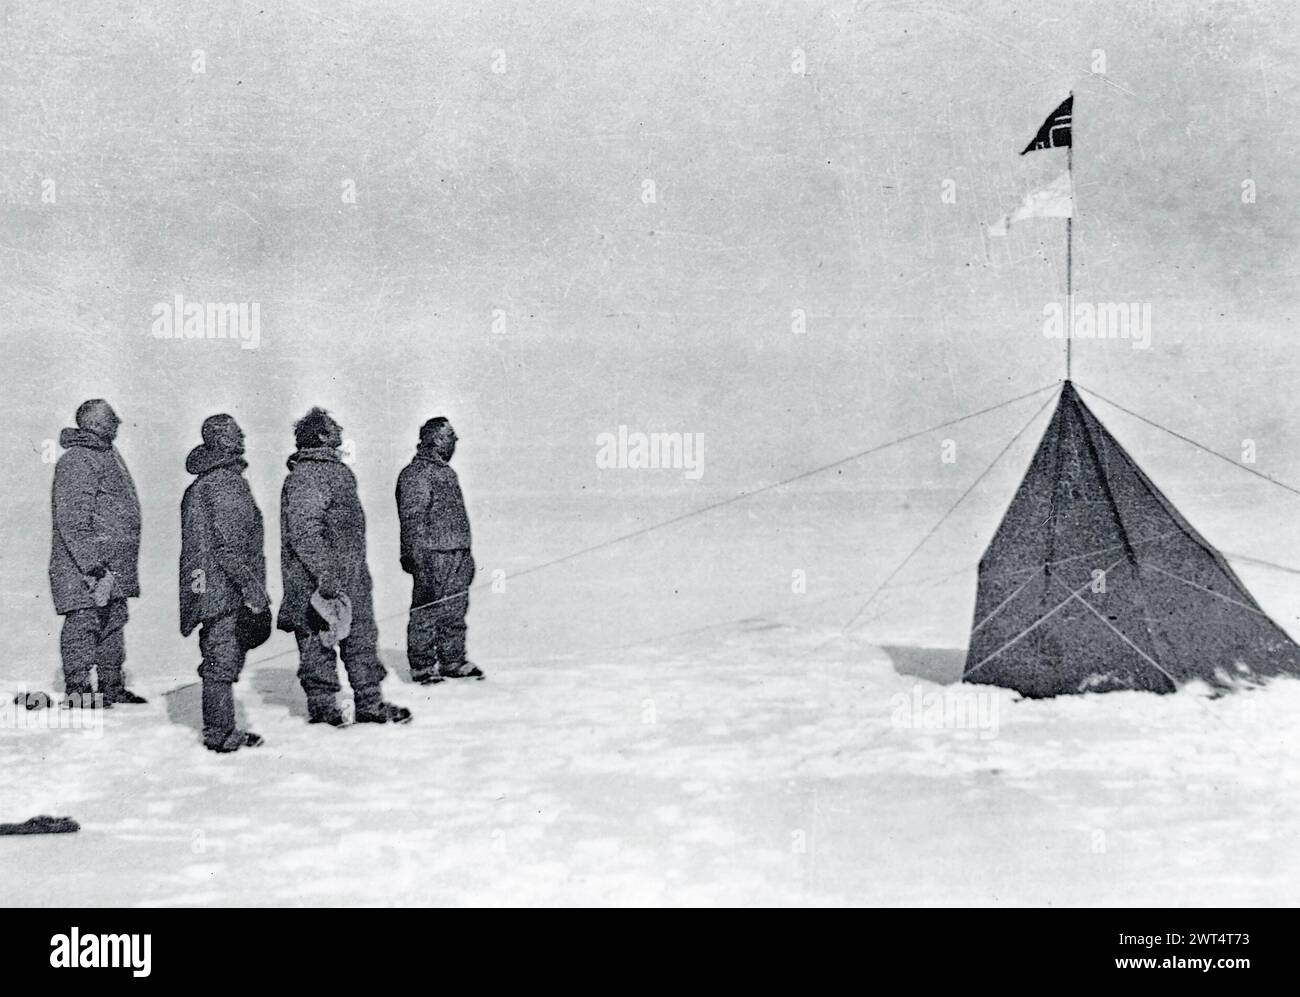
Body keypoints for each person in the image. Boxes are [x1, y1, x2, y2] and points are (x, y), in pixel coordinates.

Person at [277, 407, 411, 725]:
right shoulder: (306, 475)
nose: (340, 429)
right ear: (322, 435)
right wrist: (325, 573)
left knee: (362, 638)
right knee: (317, 643)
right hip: (315, 582)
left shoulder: (338, 472)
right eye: (334, 426)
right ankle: (324, 709)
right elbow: (305, 531)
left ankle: (370, 704)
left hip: (350, 578)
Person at [48, 399, 147, 708]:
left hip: (110, 567)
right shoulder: (77, 459)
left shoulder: (106, 455)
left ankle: (111, 687)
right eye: (111, 418)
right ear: (95, 424)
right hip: (84, 569)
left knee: (113, 623)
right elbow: (72, 520)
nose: (118, 421)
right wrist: (93, 567)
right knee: (84, 623)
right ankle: (78, 691)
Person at [180, 414, 268, 753]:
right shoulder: (225, 483)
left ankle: (223, 728)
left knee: (220, 657)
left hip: (209, 588)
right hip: (225, 589)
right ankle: (220, 734)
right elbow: (230, 548)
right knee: (221, 660)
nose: (243, 435)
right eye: (235, 432)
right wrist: (253, 590)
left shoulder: (205, 483)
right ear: (220, 440)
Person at [396, 417, 482, 683]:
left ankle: (452, 660)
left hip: (456, 551)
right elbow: (412, 518)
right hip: (431, 554)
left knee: (455, 609)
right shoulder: (416, 473)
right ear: (435, 439)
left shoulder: (446, 472)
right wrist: (416, 556)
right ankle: (422, 666)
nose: (454, 442)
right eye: (450, 436)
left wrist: (464, 553)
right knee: (427, 609)